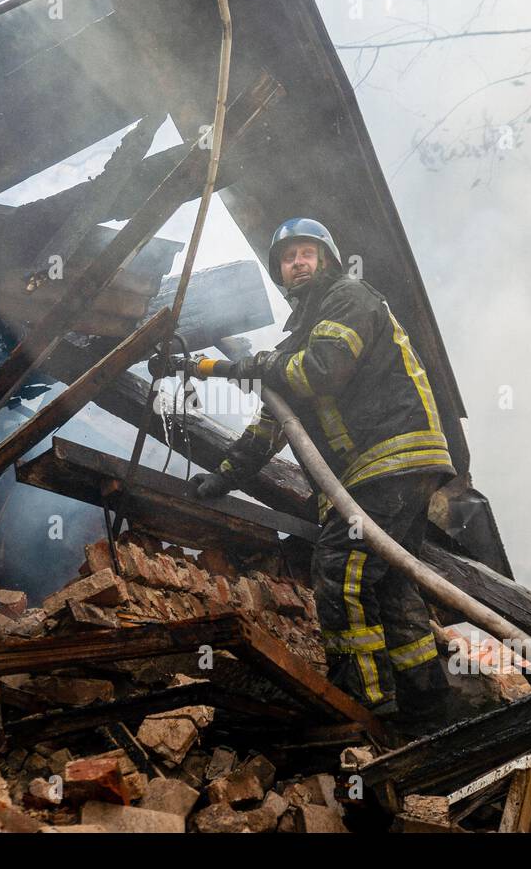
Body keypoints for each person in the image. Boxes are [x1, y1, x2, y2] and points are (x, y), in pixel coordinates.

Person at [151, 218, 457, 729]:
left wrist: (261, 364)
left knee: (340, 571)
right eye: (288, 257)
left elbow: (322, 372)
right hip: (401, 469)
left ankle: (361, 710)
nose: (297, 262)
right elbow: (274, 426)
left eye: (306, 253)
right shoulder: (304, 334)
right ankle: (426, 708)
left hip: (385, 460)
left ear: (327, 259)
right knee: (388, 584)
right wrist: (224, 476)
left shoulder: (349, 297)